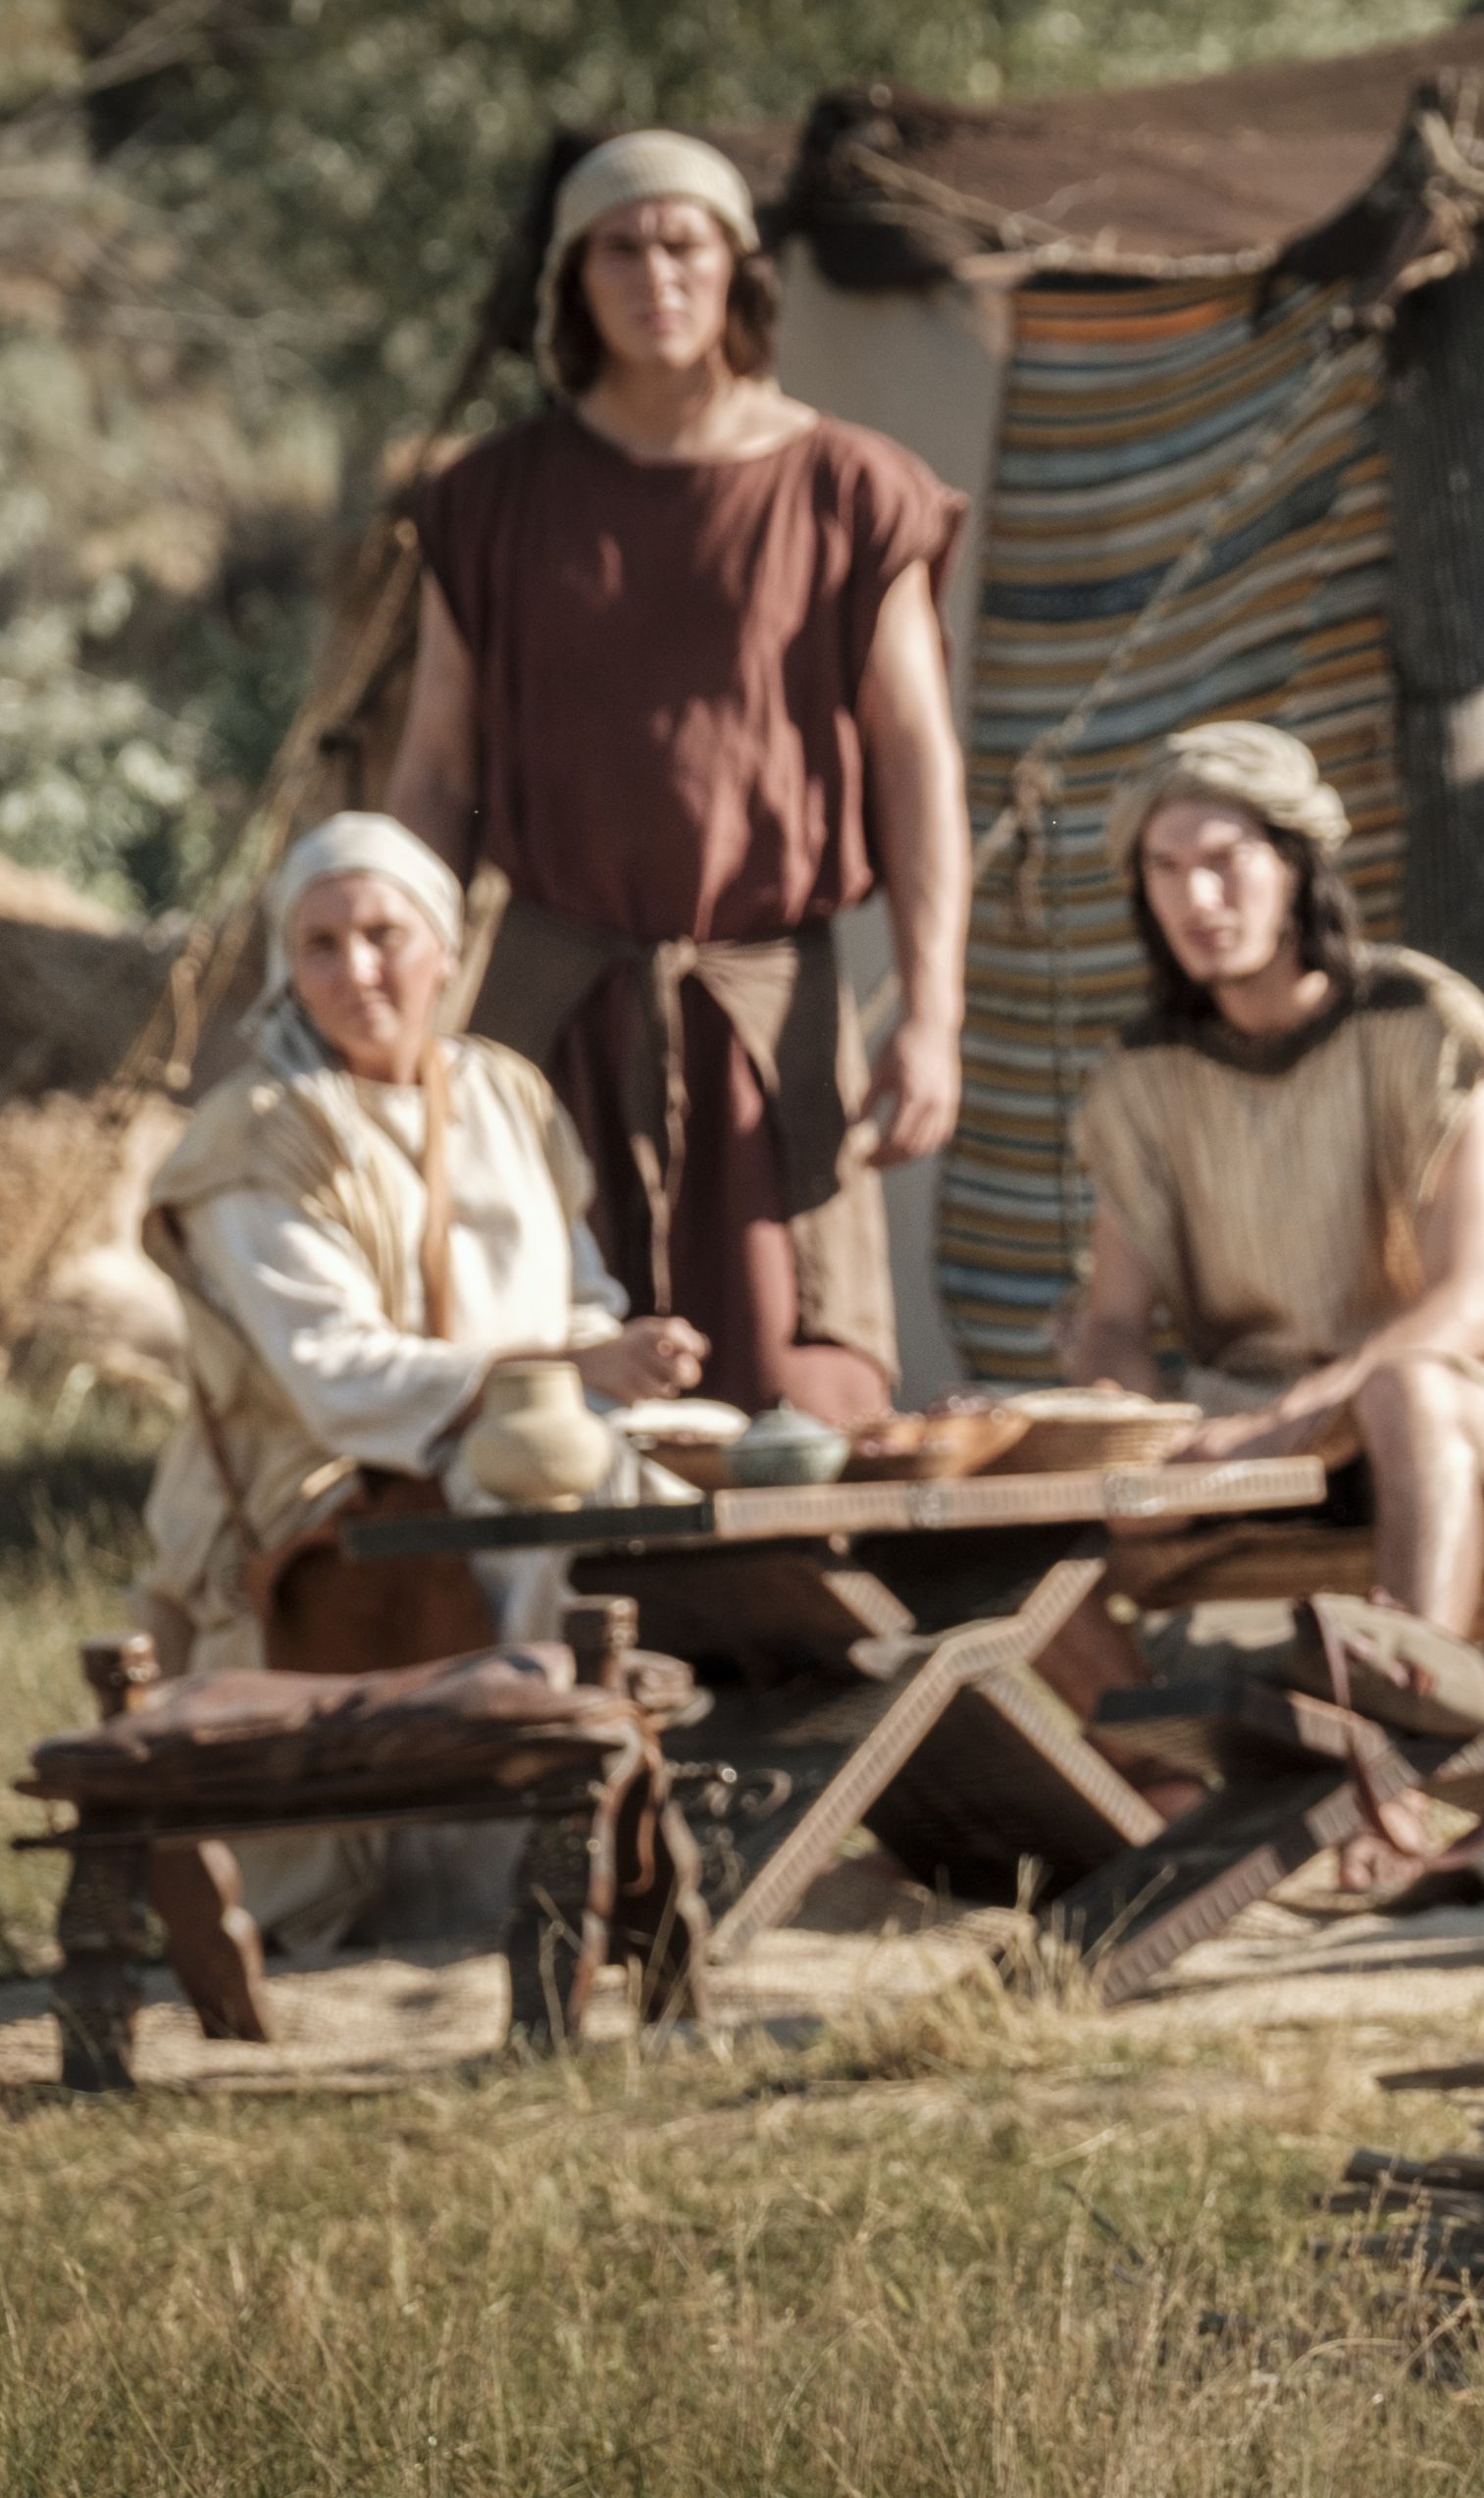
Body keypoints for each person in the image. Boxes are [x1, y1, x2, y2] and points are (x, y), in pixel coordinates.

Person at [386, 128, 969, 1424]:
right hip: (544, 1002)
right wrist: (389, 1003)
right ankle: (561, 1635)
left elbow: (917, 763)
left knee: (793, 1386)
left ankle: (799, 1632)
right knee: (540, 1368)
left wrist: (932, 1011)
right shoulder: (490, 501)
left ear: (738, 272)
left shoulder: (851, 489)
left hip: (767, 1007)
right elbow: (432, 773)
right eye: (622, 247)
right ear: (574, 284)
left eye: (684, 242)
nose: (656, 272)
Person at [136, 813, 705, 1947]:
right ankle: (519, 1877)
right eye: (321, 945)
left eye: (384, 935)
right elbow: (337, 1381)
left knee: (701, 1482)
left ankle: (663, 1832)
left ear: (445, 949)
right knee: (531, 1509)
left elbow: (577, 1296)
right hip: (318, 1486)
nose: (356, 970)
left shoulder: (505, 1096)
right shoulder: (259, 1136)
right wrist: (559, 1367)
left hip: (525, 1437)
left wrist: (628, 1353)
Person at [1061, 722, 1484, 1640]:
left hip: (1453, 1391)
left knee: (1408, 1395)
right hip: (1243, 1403)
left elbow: (1467, 1307)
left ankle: (1404, 1727)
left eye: (1225, 860)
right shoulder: (1140, 1075)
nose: (1197, 897)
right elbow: (1114, 1325)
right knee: (1005, 1498)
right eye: (1164, 867)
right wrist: (1122, 1415)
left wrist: (1291, 1421)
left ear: (1293, 863)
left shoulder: (1421, 1021)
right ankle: (1161, 1782)